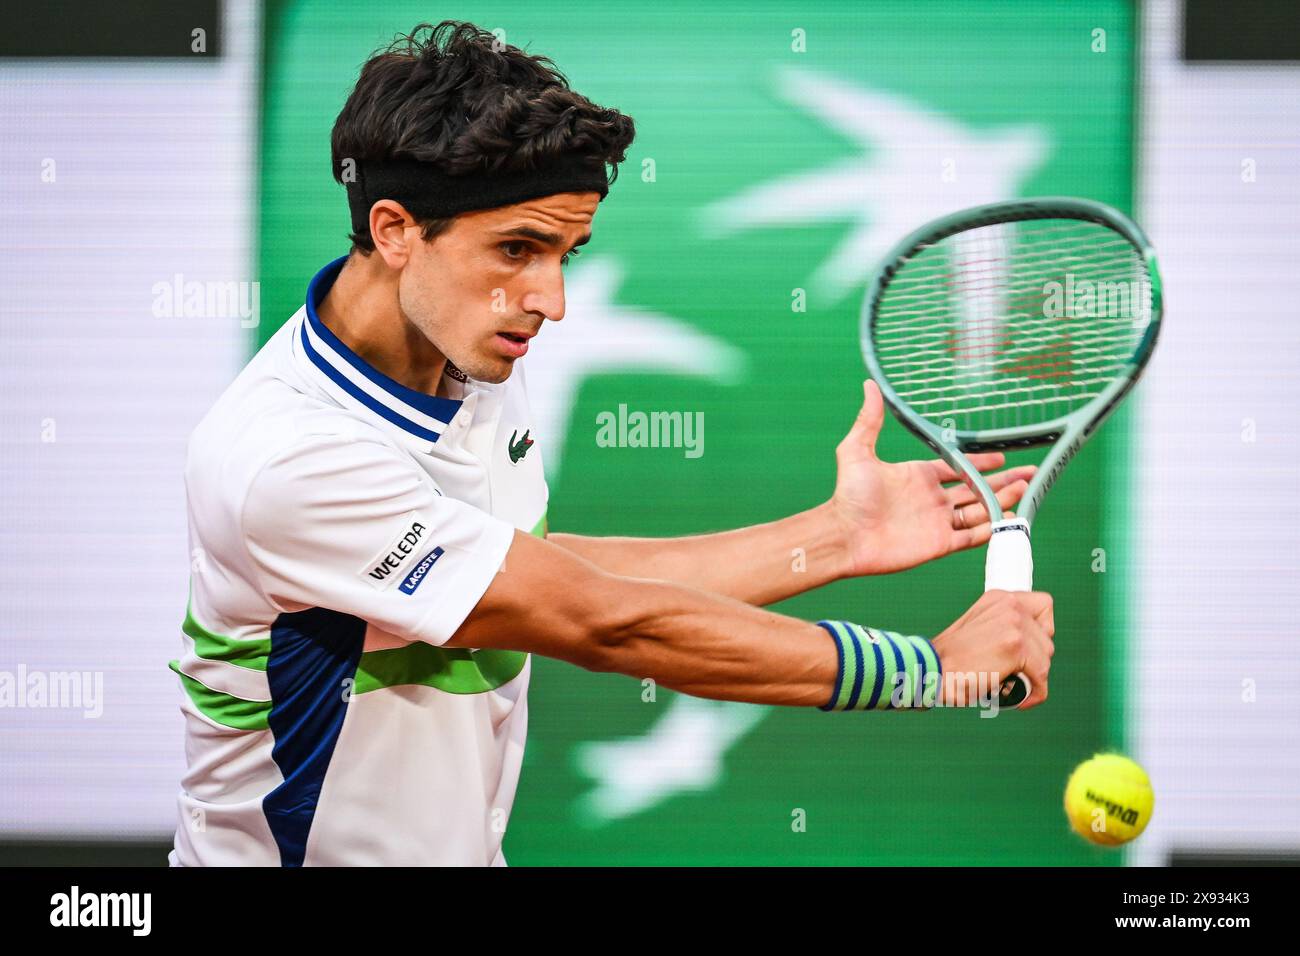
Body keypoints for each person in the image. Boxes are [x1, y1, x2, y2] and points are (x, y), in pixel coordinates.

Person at [169, 20, 1053, 867]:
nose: (550, 301)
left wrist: (832, 540)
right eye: (516, 248)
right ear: (396, 229)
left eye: (567, 254)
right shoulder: (288, 459)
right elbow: (602, 621)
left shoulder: (470, 353)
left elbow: (544, 576)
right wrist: (927, 669)